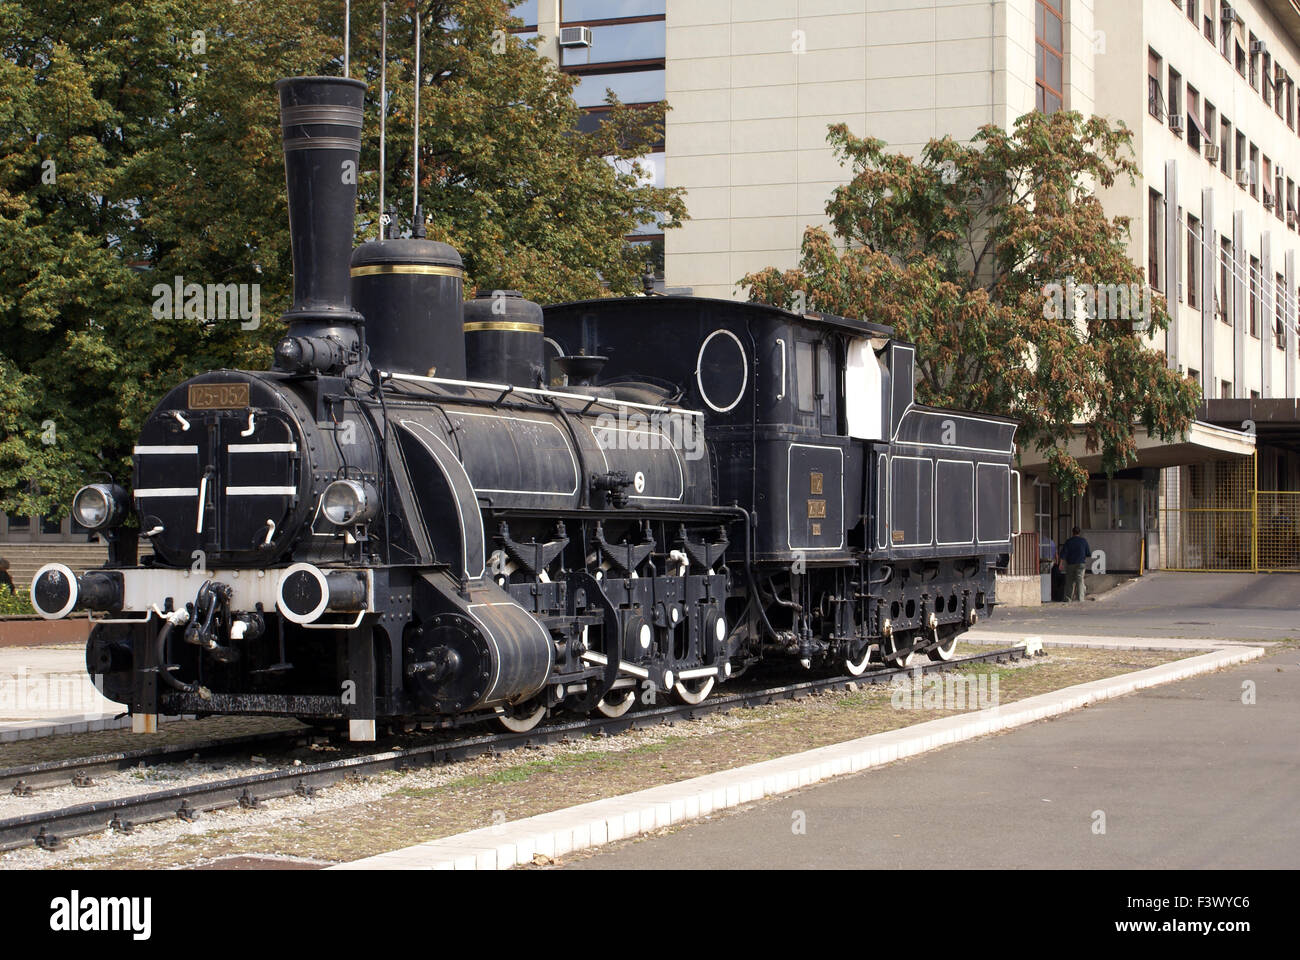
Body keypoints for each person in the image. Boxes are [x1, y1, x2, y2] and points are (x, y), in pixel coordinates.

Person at [1060, 527, 1091, 602]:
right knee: (1080, 581)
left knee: (1069, 582)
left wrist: (1060, 564)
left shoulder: (1068, 541)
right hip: (1081, 564)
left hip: (1070, 564)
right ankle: (1080, 598)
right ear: (1079, 533)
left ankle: (1068, 599)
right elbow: (1088, 553)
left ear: (1072, 532)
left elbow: (1063, 554)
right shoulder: (1083, 541)